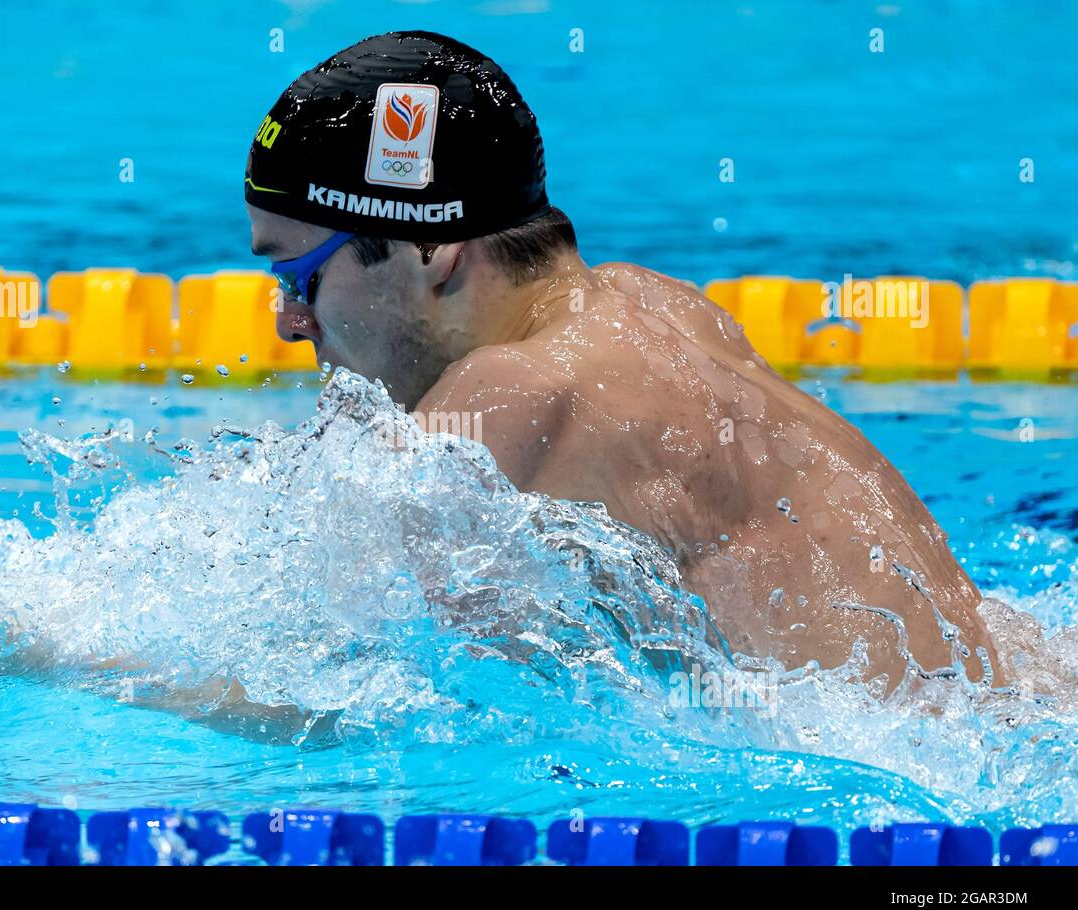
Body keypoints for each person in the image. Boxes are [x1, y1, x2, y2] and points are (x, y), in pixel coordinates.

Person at [244, 30, 1000, 689]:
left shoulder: (509, 398)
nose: (289, 321)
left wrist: (125, 690)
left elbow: (326, 687)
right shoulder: (658, 303)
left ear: (431, 250)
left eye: (295, 276)